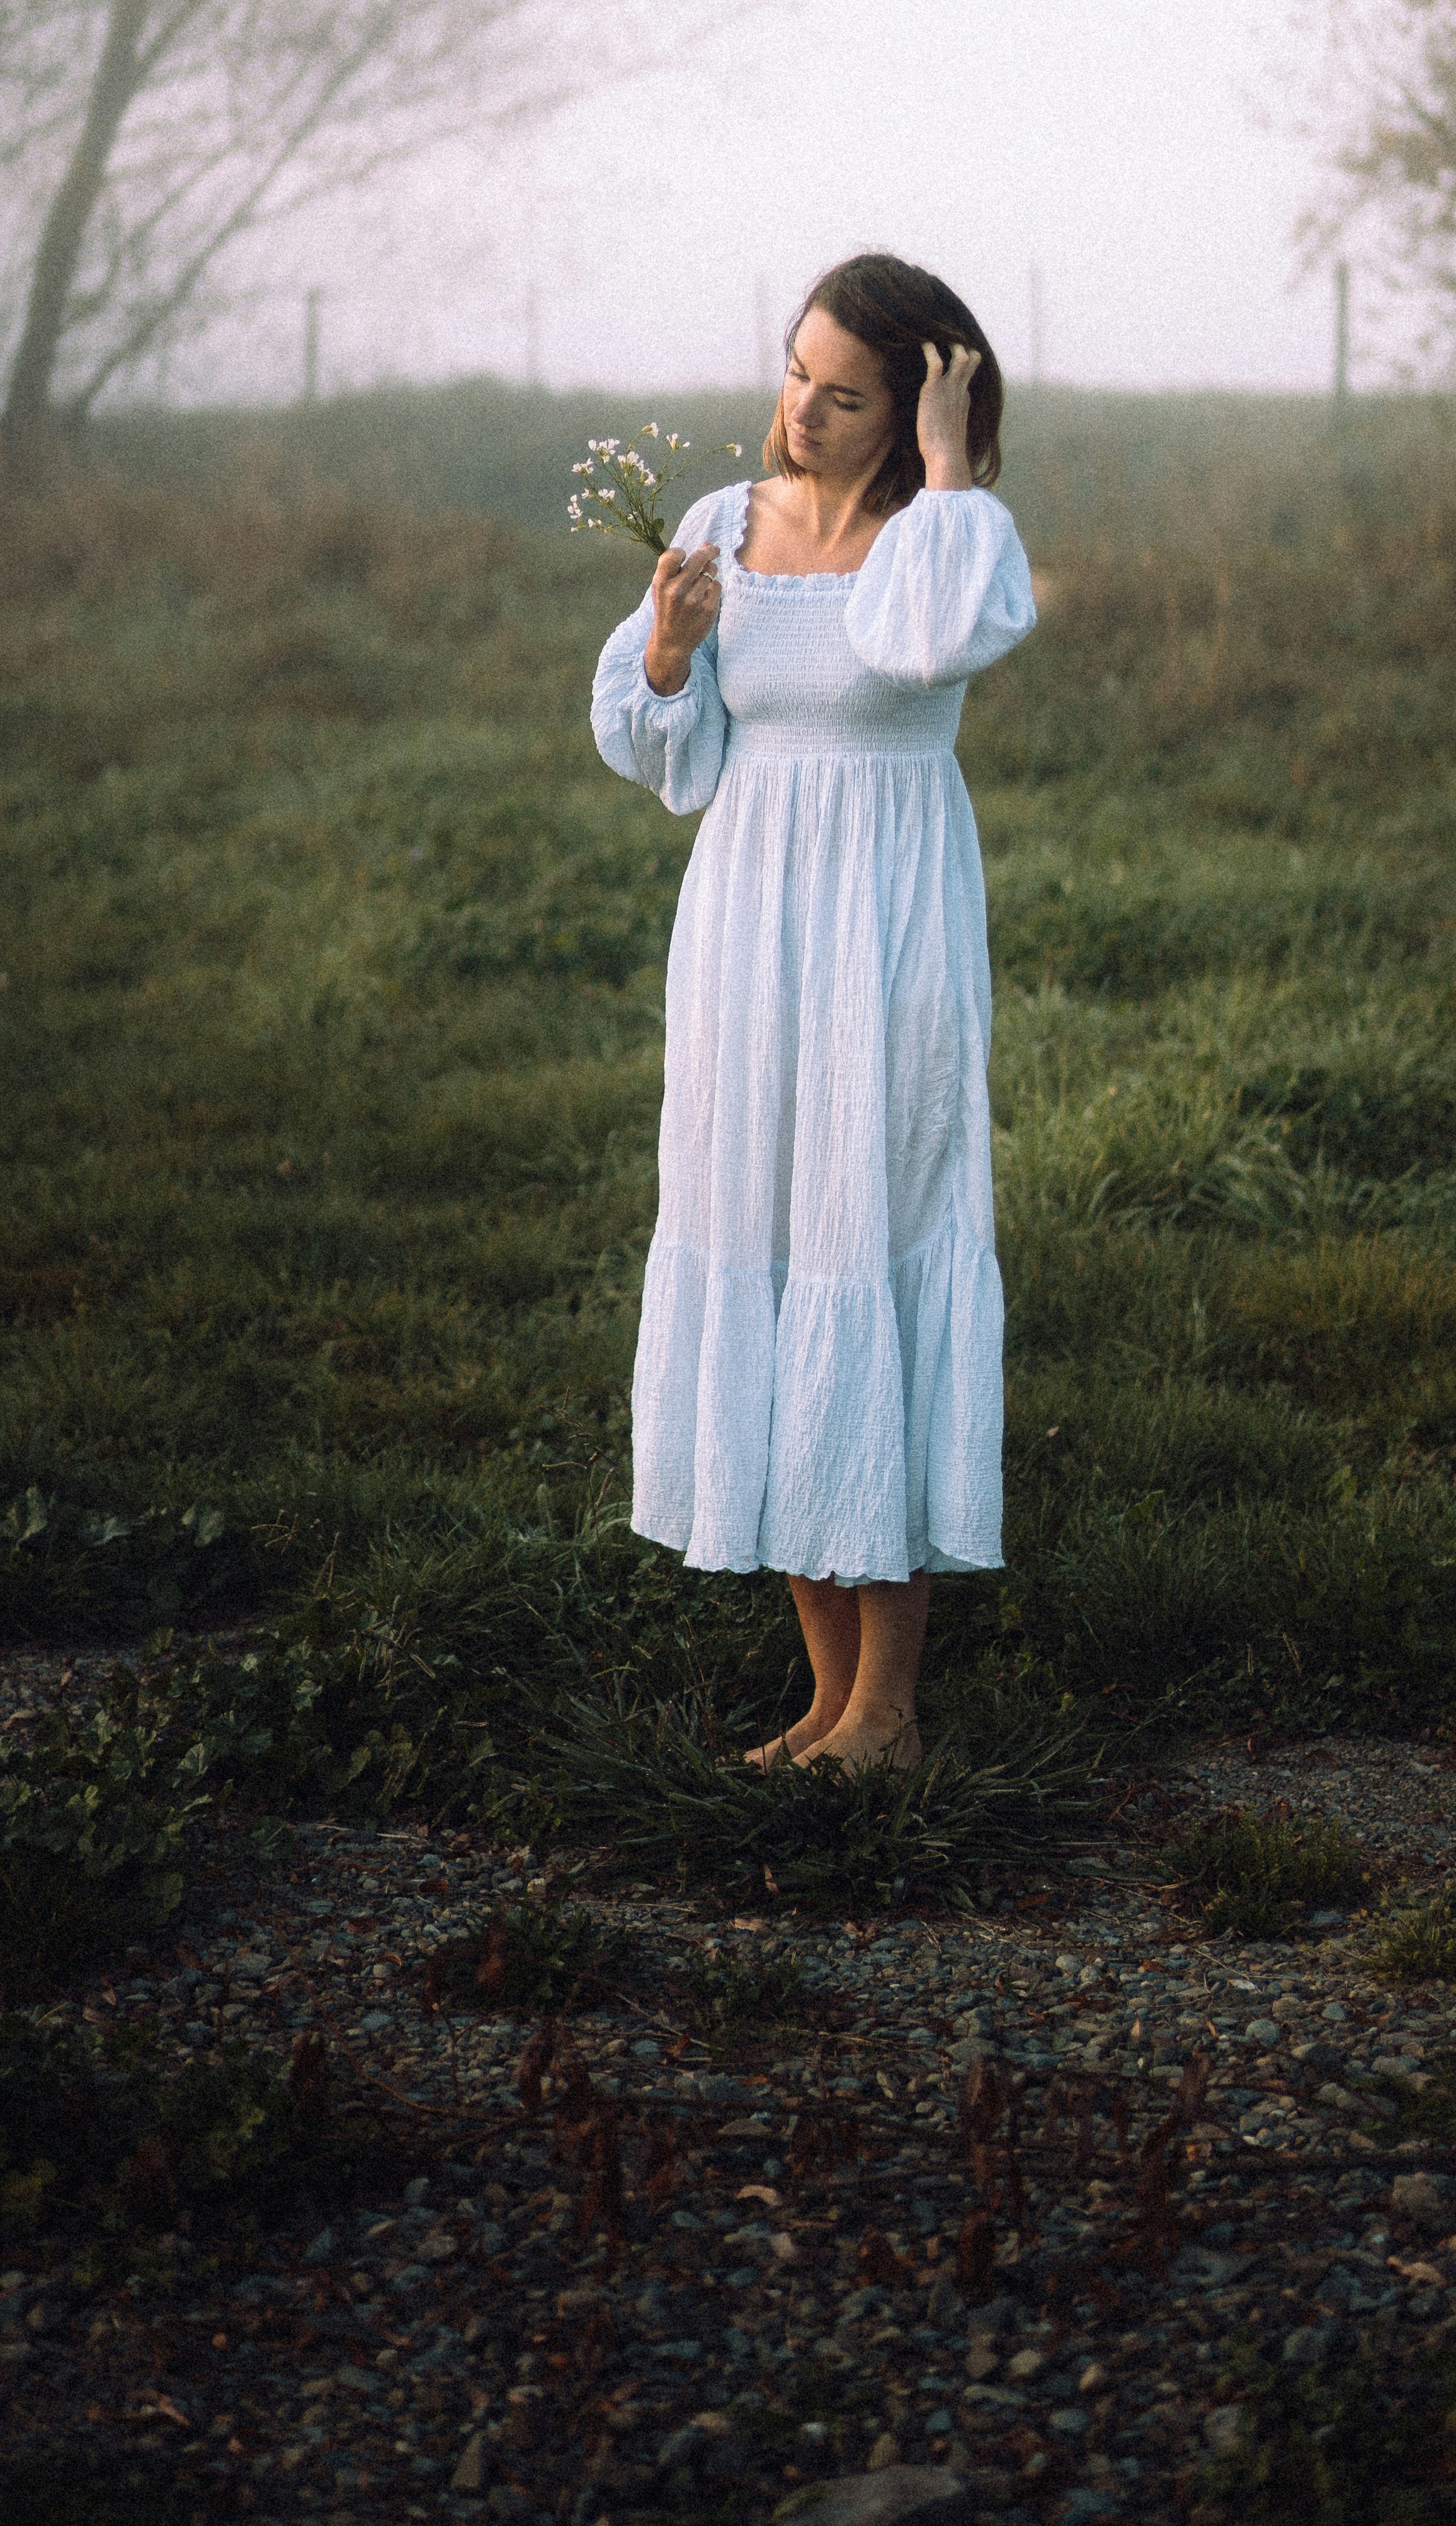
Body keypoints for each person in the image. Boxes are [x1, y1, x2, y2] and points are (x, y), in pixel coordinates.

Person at [589, 253, 1037, 1772]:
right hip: (744, 930)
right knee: (773, 1241)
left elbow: (936, 641)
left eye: (842, 393)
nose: (799, 412)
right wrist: (665, 644)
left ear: (908, 402)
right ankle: (824, 1699)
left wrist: (944, 466)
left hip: (891, 933)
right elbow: (669, 743)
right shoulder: (718, 522)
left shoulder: (941, 539)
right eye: (794, 374)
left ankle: (892, 1712)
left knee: (875, 1242)